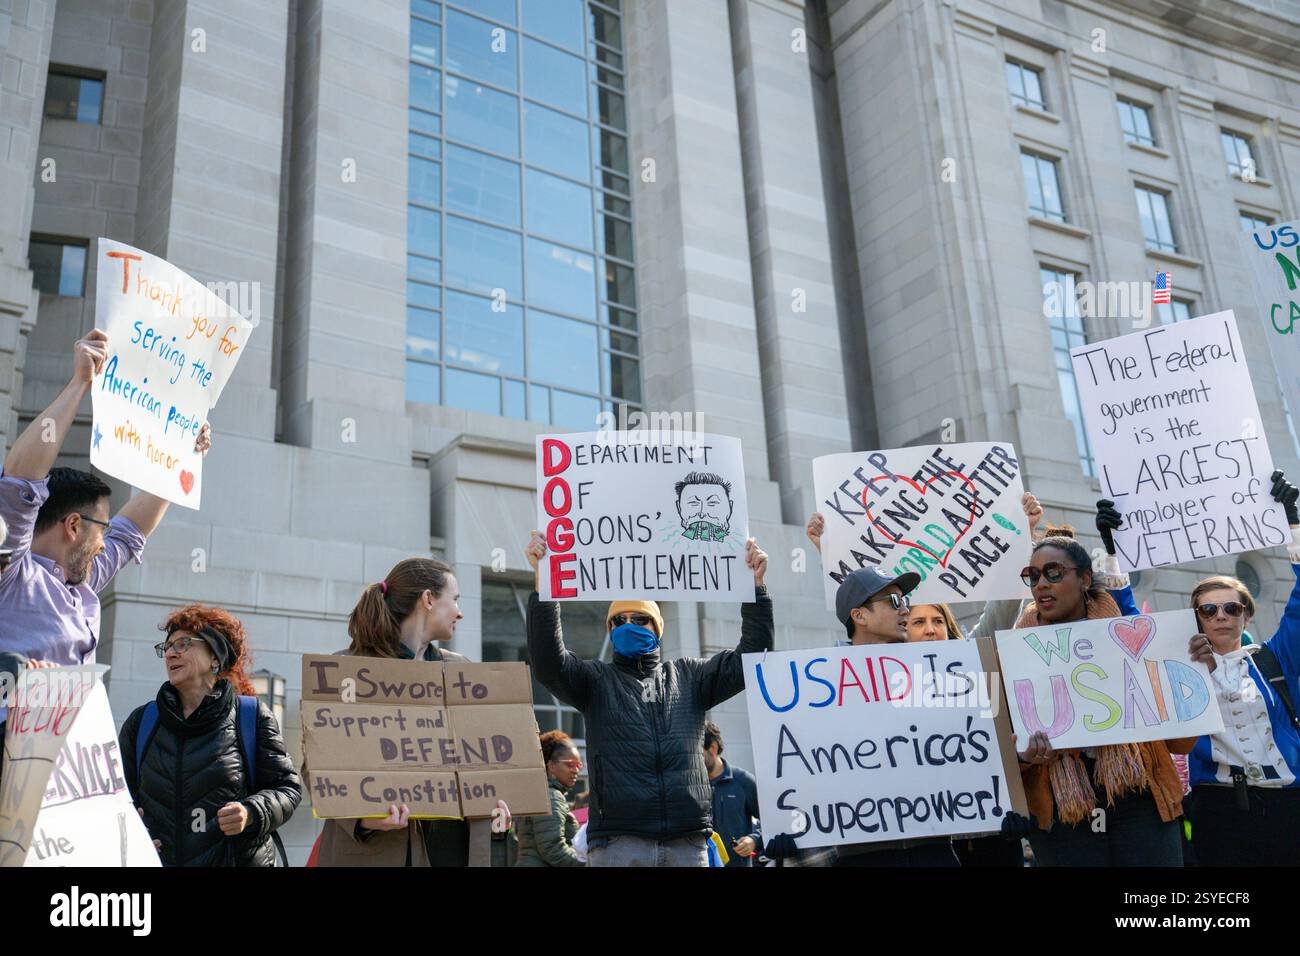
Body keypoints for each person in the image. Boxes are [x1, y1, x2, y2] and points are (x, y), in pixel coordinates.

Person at [523, 531, 773, 867]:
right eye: (619, 621)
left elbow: (752, 657)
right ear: (610, 631)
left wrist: (756, 588)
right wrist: (543, 586)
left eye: (640, 619)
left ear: (657, 628)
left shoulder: (690, 677)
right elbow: (548, 663)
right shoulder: (595, 681)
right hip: (619, 843)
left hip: (686, 840)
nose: (629, 625)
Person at [0, 329, 211, 670]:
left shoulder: (82, 579)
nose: (105, 543)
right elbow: (18, 484)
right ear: (73, 526)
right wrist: (80, 383)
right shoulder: (10, 572)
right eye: (103, 528)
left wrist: (183, 455)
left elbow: (132, 533)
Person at [1013, 528, 1196, 866]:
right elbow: (1006, 747)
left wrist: (1194, 674)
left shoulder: (1134, 638)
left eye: (1054, 572)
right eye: (1033, 575)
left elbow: (1181, 744)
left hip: (1141, 799)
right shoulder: (1014, 653)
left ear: (1085, 579)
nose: (1041, 584)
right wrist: (1025, 756)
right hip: (1061, 811)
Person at [310, 558, 509, 867]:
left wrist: (499, 816)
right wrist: (363, 819)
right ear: (428, 599)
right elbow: (316, 768)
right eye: (454, 599)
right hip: (377, 852)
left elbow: (486, 763)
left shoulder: (464, 673)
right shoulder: (348, 670)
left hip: (452, 851)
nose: (460, 611)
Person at [118, 605, 301, 866]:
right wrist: (134, 829)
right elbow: (117, 797)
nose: (170, 654)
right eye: (167, 647)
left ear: (215, 657)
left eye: (182, 644)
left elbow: (288, 788)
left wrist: (251, 812)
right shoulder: (142, 722)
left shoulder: (251, 716)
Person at [1183, 470, 1300, 865]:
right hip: (1219, 813)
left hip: (1288, 805)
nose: (1221, 616)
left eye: (1231, 607)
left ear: (1246, 616)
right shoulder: (1181, 670)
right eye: (1209, 609)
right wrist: (1113, 551)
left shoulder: (1274, 658)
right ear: (1197, 618)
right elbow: (1128, 620)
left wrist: (1293, 523)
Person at [515, 730, 584, 867]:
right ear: (551, 766)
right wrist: (586, 863)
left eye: (579, 765)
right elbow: (553, 849)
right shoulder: (551, 797)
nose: (576, 770)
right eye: (570, 764)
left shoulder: (542, 793)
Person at [702, 721, 761, 867]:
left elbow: (772, 821)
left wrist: (754, 840)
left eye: (697, 753)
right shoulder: (688, 785)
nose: (693, 759)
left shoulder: (744, 781)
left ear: (713, 748)